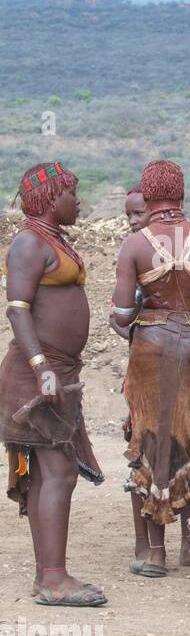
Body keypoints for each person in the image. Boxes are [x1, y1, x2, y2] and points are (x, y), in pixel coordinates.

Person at [111, 160, 190, 579]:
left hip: (151, 351)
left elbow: (121, 315)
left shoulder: (135, 245)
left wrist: (147, 305)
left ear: (148, 193)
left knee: (153, 442)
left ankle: (155, 553)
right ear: (181, 191)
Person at [2, 162, 106, 606]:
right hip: (37, 373)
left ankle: (50, 575)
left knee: (50, 473)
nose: (78, 201)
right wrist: (42, 364)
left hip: (58, 371)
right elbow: (17, 310)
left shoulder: (50, 240)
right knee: (58, 472)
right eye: (72, 192)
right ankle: (53, 578)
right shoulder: (28, 243)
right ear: (50, 197)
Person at [115, 186, 150, 571]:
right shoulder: (133, 250)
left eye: (138, 212)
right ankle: (145, 543)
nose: (133, 221)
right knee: (141, 453)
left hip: (183, 367)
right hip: (144, 370)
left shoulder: (183, 246)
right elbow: (118, 314)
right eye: (128, 215)